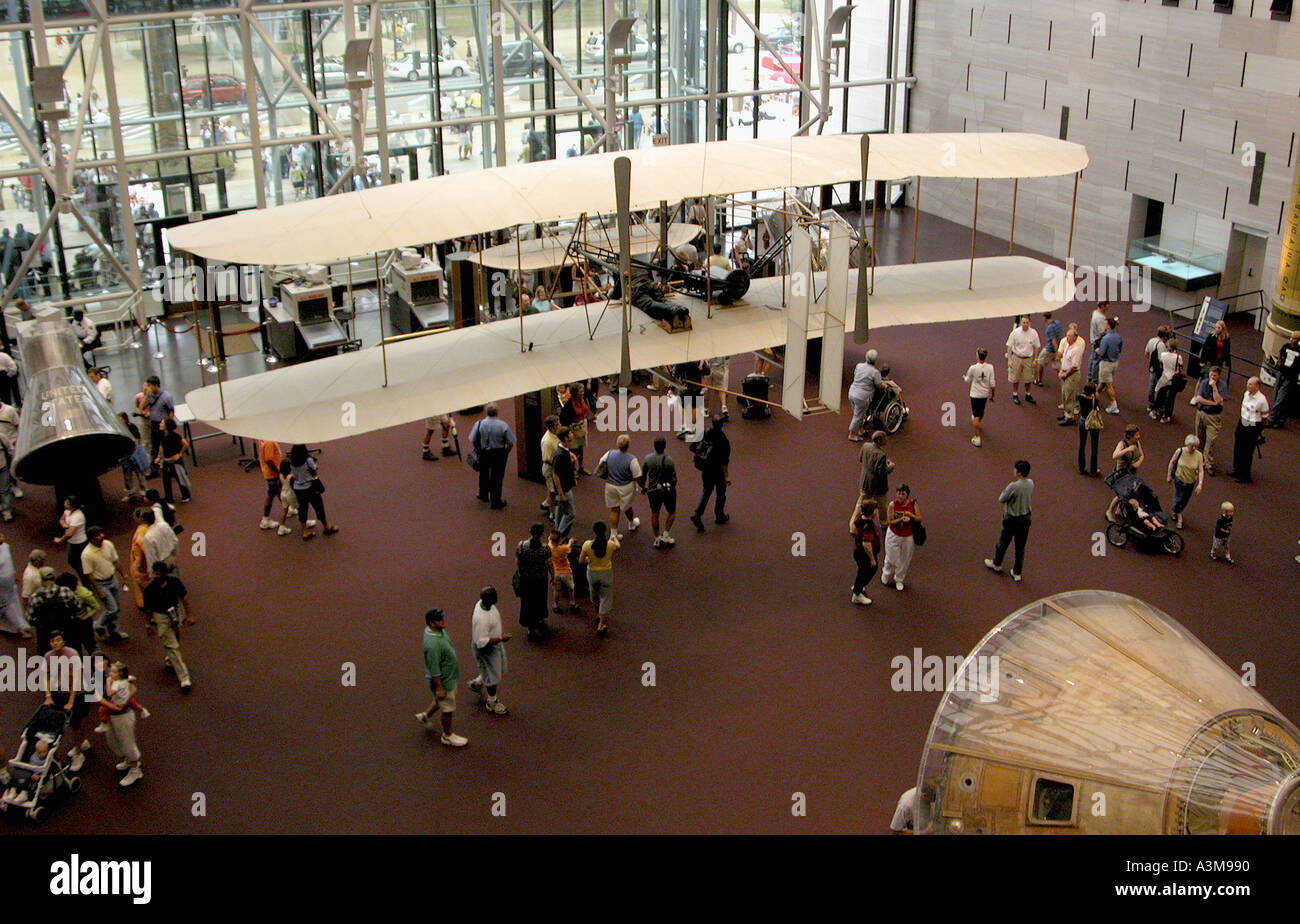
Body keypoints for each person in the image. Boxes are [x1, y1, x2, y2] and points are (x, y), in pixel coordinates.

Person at [41, 630, 91, 773]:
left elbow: (75, 680)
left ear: (63, 641)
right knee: (66, 722)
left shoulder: (72, 654)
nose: (55, 643)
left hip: (77, 693)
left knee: (77, 723)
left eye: (57, 640)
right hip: (60, 693)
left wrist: (71, 701)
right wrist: (48, 696)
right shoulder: (48, 656)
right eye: (52, 641)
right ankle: (81, 742)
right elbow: (47, 676)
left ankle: (78, 753)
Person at [415, 608, 467, 747]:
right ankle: (448, 735)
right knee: (448, 707)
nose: (443, 620)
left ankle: (425, 716)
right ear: (432, 623)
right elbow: (434, 669)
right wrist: (439, 688)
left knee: (440, 701)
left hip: (448, 677)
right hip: (444, 681)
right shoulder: (432, 644)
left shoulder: (438, 631)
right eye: (439, 619)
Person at [142, 562, 193, 692]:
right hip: (161, 616)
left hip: (176, 612)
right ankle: (184, 678)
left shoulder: (174, 582)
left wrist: (189, 615)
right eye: (154, 573)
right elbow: (148, 609)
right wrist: (148, 624)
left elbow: (184, 598)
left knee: (176, 636)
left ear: (165, 574)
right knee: (172, 646)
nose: (155, 576)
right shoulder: (149, 589)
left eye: (158, 574)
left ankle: (170, 658)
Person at [984, 460, 1034, 582]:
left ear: (1019, 472)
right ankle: (1017, 572)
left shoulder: (1013, 486)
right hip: (1025, 519)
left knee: (1003, 542)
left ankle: (997, 564)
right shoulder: (1031, 483)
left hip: (1012, 519)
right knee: (1020, 547)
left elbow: (1002, 498)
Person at [466, 587, 511, 715]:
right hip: (487, 650)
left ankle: (478, 683)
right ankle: (492, 702)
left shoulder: (483, 604)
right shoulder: (482, 619)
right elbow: (481, 642)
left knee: (496, 668)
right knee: (493, 677)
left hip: (495, 645)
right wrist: (501, 638)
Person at [99, 660, 144, 786]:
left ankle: (135, 769)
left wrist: (122, 703)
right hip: (110, 715)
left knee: (127, 743)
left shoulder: (115, 680)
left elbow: (133, 689)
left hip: (123, 716)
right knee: (112, 741)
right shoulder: (99, 677)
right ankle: (129, 760)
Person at [81, 526, 127, 643]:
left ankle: (114, 631)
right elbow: (89, 575)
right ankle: (99, 626)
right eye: (97, 535)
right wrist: (99, 591)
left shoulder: (108, 544)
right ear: (91, 539)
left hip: (112, 579)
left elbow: (115, 561)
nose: (101, 536)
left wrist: (123, 575)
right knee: (112, 609)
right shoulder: (86, 554)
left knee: (116, 607)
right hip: (101, 583)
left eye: (101, 533)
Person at [469, 403, 516, 509]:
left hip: (484, 452)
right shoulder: (503, 425)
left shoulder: (479, 424)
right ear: (497, 412)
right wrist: (505, 453)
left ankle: (483, 494)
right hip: (498, 453)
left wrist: (478, 449)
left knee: (483, 472)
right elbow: (510, 442)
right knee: (497, 477)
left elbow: (473, 439)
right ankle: (495, 501)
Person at [688, 416, 731, 531]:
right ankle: (719, 515)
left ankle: (697, 514)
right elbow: (725, 460)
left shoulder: (704, 433)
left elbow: (692, 447)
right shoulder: (723, 439)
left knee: (706, 491)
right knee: (721, 493)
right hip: (718, 471)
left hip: (706, 469)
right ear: (722, 425)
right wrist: (726, 475)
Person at [579, 521, 620, 637]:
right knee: (606, 598)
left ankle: (598, 614)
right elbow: (618, 546)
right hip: (606, 573)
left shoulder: (587, 544)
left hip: (592, 573)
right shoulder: (610, 545)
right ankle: (601, 625)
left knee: (594, 595)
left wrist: (589, 559)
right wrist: (614, 538)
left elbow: (581, 561)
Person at [289, 443, 338, 539]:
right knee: (318, 506)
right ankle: (326, 526)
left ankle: (305, 531)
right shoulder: (308, 460)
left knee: (302, 509)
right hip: (310, 487)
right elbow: (314, 471)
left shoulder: (292, 462)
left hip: (298, 488)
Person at [1227, 376, 1269, 483]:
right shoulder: (1246, 394)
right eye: (1247, 383)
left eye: (1250, 384)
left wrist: (1259, 430)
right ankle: (1237, 470)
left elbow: (1265, 418)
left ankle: (1245, 475)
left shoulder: (1262, 400)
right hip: (1243, 422)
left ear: (1257, 386)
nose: (1247, 386)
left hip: (1253, 426)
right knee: (1238, 448)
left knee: (1247, 451)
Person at [514, 523, 552, 642]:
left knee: (527, 602)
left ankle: (530, 626)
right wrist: (553, 576)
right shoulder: (545, 548)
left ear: (530, 531)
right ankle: (539, 619)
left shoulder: (521, 546)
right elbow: (549, 563)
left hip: (526, 579)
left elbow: (518, 562)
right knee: (540, 600)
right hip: (540, 578)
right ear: (542, 534)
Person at [600, 434, 642, 538]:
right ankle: (632, 523)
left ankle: (613, 535)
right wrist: (642, 487)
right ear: (628, 445)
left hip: (610, 485)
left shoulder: (609, 453)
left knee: (614, 509)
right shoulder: (632, 459)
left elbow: (601, 463)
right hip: (626, 487)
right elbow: (637, 476)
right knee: (627, 507)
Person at [881, 485, 921, 592]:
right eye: (898, 493)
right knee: (891, 556)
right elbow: (890, 521)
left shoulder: (913, 503)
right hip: (894, 534)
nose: (900, 496)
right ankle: (886, 573)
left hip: (908, 536)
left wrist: (911, 516)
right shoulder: (892, 505)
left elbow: (919, 518)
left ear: (907, 495)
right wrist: (900, 520)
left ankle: (899, 578)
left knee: (905, 558)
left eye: (903, 494)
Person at [642, 436, 678, 548]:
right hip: (667, 490)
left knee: (655, 514)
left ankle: (657, 538)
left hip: (653, 491)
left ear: (654, 446)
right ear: (664, 446)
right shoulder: (669, 460)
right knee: (671, 512)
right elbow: (674, 479)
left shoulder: (647, 459)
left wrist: (643, 487)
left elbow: (643, 475)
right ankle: (666, 534)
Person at [135, 376, 175, 475]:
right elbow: (142, 407)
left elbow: (171, 411)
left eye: (150, 385)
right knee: (154, 447)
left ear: (156, 385)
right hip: (153, 424)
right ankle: (154, 469)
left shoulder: (166, 396)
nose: (148, 387)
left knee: (166, 446)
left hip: (163, 424)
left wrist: (168, 426)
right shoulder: (150, 396)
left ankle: (169, 468)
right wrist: (146, 395)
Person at [1192, 366, 1226, 475]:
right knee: (1199, 437)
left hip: (1214, 417)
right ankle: (1198, 460)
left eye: (1214, 375)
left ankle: (1208, 463)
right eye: (1211, 374)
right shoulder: (1204, 382)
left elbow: (1219, 400)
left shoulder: (1222, 386)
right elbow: (1199, 399)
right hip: (1201, 413)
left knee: (1211, 440)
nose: (1212, 377)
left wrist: (1214, 387)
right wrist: (1212, 403)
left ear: (1218, 376)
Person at [1166, 435, 1205, 529]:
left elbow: (1200, 470)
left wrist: (1200, 484)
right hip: (1179, 480)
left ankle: (1175, 510)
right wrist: (1169, 475)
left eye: (1195, 446)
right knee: (1178, 498)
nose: (1194, 448)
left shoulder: (1199, 455)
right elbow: (1172, 462)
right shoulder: (1179, 451)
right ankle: (1178, 515)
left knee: (1185, 500)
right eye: (1192, 446)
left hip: (1191, 482)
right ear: (1187, 444)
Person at [849, 495, 880, 606]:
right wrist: (872, 559)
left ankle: (858, 585)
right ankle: (857, 593)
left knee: (861, 571)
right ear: (872, 512)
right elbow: (867, 544)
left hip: (857, 551)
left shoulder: (860, 519)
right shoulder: (868, 526)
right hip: (864, 554)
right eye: (876, 509)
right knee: (869, 570)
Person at [848, 350, 884, 441]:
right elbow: (879, 385)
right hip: (862, 397)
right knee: (858, 415)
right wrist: (885, 385)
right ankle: (852, 435)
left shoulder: (859, 366)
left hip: (852, 392)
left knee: (860, 413)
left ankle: (861, 430)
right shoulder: (875, 372)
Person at [0, 534, 32, 638]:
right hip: (1, 586)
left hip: (9, 582)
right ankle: (20, 628)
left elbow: (8, 561)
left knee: (13, 601)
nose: (2, 536)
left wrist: (13, 573)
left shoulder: (5, 546)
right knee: (6, 606)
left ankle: (19, 622)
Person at [963, 347, 996, 447]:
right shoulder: (990, 367)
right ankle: (977, 420)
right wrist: (992, 395)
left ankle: (977, 437)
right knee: (981, 411)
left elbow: (968, 380)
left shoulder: (973, 368)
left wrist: (964, 377)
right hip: (984, 394)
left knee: (976, 415)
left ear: (978, 355)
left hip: (975, 394)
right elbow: (993, 384)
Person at [1267, 328, 1300, 428]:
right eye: (1291, 338)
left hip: (1290, 377)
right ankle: (1277, 417)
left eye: (1294, 338)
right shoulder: (1286, 346)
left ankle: (1272, 418)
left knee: (1282, 398)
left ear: (1298, 340)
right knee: (1276, 394)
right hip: (1281, 373)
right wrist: (1279, 364)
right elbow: (1280, 355)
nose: (1291, 340)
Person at [858, 430, 894, 523]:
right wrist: (890, 467)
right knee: (882, 505)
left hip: (866, 481)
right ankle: (884, 522)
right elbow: (881, 472)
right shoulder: (881, 455)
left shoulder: (865, 446)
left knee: (860, 504)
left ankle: (853, 524)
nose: (886, 439)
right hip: (877, 486)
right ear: (879, 441)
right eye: (884, 438)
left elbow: (861, 459)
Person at [1005, 315, 1040, 405]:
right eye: (1023, 322)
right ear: (1021, 323)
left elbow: (1036, 347)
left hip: (1028, 359)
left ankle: (1028, 394)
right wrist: (1009, 359)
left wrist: (1035, 359)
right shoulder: (1015, 333)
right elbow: (1009, 347)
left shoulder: (1033, 333)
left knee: (1028, 379)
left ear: (1030, 323)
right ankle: (1015, 394)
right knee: (1015, 378)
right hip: (1017, 358)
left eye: (1027, 323)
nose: (1025, 324)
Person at [155, 418, 191, 504]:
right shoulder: (163, 435)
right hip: (166, 461)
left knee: (180, 478)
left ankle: (186, 495)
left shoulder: (175, 436)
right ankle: (168, 497)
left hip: (175, 462)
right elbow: (161, 446)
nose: (160, 424)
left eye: (162, 423)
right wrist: (159, 457)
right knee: (166, 480)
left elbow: (185, 444)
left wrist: (180, 454)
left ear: (167, 426)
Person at [52, 496, 89, 579]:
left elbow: (69, 534)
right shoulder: (67, 511)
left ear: (73, 506)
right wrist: (64, 524)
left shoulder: (77, 516)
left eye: (67, 503)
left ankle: (87, 579)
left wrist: (60, 540)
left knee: (78, 563)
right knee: (73, 562)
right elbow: (62, 519)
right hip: (72, 542)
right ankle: (85, 577)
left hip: (79, 543)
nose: (65, 503)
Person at [550, 426, 577, 537]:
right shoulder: (560, 454)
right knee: (570, 514)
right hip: (564, 489)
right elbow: (555, 474)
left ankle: (558, 533)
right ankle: (558, 537)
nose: (572, 434)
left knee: (561, 511)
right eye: (570, 433)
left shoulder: (564, 449)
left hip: (566, 486)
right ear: (565, 438)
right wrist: (561, 493)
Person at [1056, 324, 1086, 425]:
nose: (1067, 338)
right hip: (1065, 372)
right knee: (1064, 394)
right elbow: (1064, 360)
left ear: (1075, 338)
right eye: (1067, 335)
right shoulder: (1068, 346)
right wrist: (1061, 371)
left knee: (1069, 395)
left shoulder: (1076, 349)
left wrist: (1065, 374)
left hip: (1071, 375)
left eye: (1069, 336)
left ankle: (1070, 417)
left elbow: (1074, 366)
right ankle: (1065, 413)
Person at [558, 383, 591, 473]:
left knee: (581, 448)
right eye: (580, 391)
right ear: (575, 393)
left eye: (583, 391)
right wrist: (568, 431)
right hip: (573, 429)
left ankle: (581, 467)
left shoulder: (582, 400)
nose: (582, 393)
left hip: (582, 428)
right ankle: (573, 470)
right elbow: (563, 419)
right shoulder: (569, 405)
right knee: (573, 450)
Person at [1152, 335, 1184, 423]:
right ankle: (1167, 415)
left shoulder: (1163, 355)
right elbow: (1180, 367)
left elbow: (1161, 365)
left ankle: (1156, 411)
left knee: (1160, 395)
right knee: (1171, 398)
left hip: (1164, 377)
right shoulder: (1179, 357)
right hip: (1173, 380)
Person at [1195, 320, 1232, 393]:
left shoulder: (1226, 338)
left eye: (1219, 328)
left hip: (1218, 361)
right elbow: (1205, 349)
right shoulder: (1211, 336)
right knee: (1203, 378)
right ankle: (1196, 395)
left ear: (1222, 328)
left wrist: (1228, 363)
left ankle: (1209, 394)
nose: (1217, 329)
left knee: (1214, 378)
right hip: (1209, 360)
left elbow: (1227, 351)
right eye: (1216, 327)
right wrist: (1202, 361)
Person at [118, 415, 149, 500]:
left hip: (135, 454)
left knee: (139, 473)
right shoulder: (119, 429)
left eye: (120, 419)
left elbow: (138, 439)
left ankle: (144, 492)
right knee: (127, 475)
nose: (119, 421)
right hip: (126, 456)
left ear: (125, 419)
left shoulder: (132, 427)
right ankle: (130, 493)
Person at [1096, 316, 1123, 414]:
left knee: (1108, 385)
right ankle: (1093, 397)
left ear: (1108, 325)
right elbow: (1119, 350)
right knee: (1103, 383)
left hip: (1106, 364)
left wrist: (1097, 350)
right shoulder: (1118, 337)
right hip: (1115, 363)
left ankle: (1114, 405)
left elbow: (1101, 352)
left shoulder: (1106, 338)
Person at [139, 509, 178, 575]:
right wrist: (173, 555)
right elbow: (175, 540)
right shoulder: (164, 525)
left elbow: (151, 557)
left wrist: (152, 573)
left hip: (161, 565)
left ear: (144, 521)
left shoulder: (148, 537)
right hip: (171, 557)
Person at [1144, 325, 1172, 415]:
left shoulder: (1151, 340)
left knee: (1151, 386)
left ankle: (1150, 404)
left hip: (1152, 367)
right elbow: (1161, 359)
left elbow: (1146, 353)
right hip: (1158, 370)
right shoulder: (1161, 345)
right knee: (1161, 388)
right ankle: (1158, 407)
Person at [258, 439, 285, 529]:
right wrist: (278, 472)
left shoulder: (263, 439)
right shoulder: (269, 442)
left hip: (270, 473)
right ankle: (265, 520)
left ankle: (288, 508)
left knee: (279, 492)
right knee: (273, 494)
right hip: (273, 474)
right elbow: (269, 460)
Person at [548, 531, 578, 615]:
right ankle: (572, 603)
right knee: (571, 588)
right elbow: (570, 546)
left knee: (556, 590)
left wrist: (549, 540)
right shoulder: (563, 548)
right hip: (566, 572)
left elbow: (550, 542)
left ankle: (556, 605)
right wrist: (571, 541)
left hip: (556, 572)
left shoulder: (549, 548)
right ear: (559, 540)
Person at [539, 414, 561, 516]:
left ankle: (546, 503)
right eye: (557, 424)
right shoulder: (547, 441)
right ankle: (552, 514)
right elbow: (547, 459)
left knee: (552, 489)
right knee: (553, 492)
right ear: (551, 427)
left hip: (556, 467)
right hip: (550, 469)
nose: (560, 425)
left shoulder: (557, 434)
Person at [1035, 312, 1063, 386]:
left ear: (1044, 318)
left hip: (1050, 349)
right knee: (1057, 366)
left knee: (1040, 362)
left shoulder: (1049, 328)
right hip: (1059, 347)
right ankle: (1064, 379)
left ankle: (1039, 380)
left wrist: (1056, 352)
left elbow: (1053, 340)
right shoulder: (1058, 323)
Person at [1087, 301, 1110, 384]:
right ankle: (1094, 381)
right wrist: (1109, 327)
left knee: (1092, 359)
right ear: (1102, 306)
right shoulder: (1100, 318)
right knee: (1096, 362)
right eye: (1106, 306)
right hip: (1098, 341)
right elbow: (1102, 332)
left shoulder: (1095, 313)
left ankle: (1089, 378)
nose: (1108, 308)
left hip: (1094, 339)